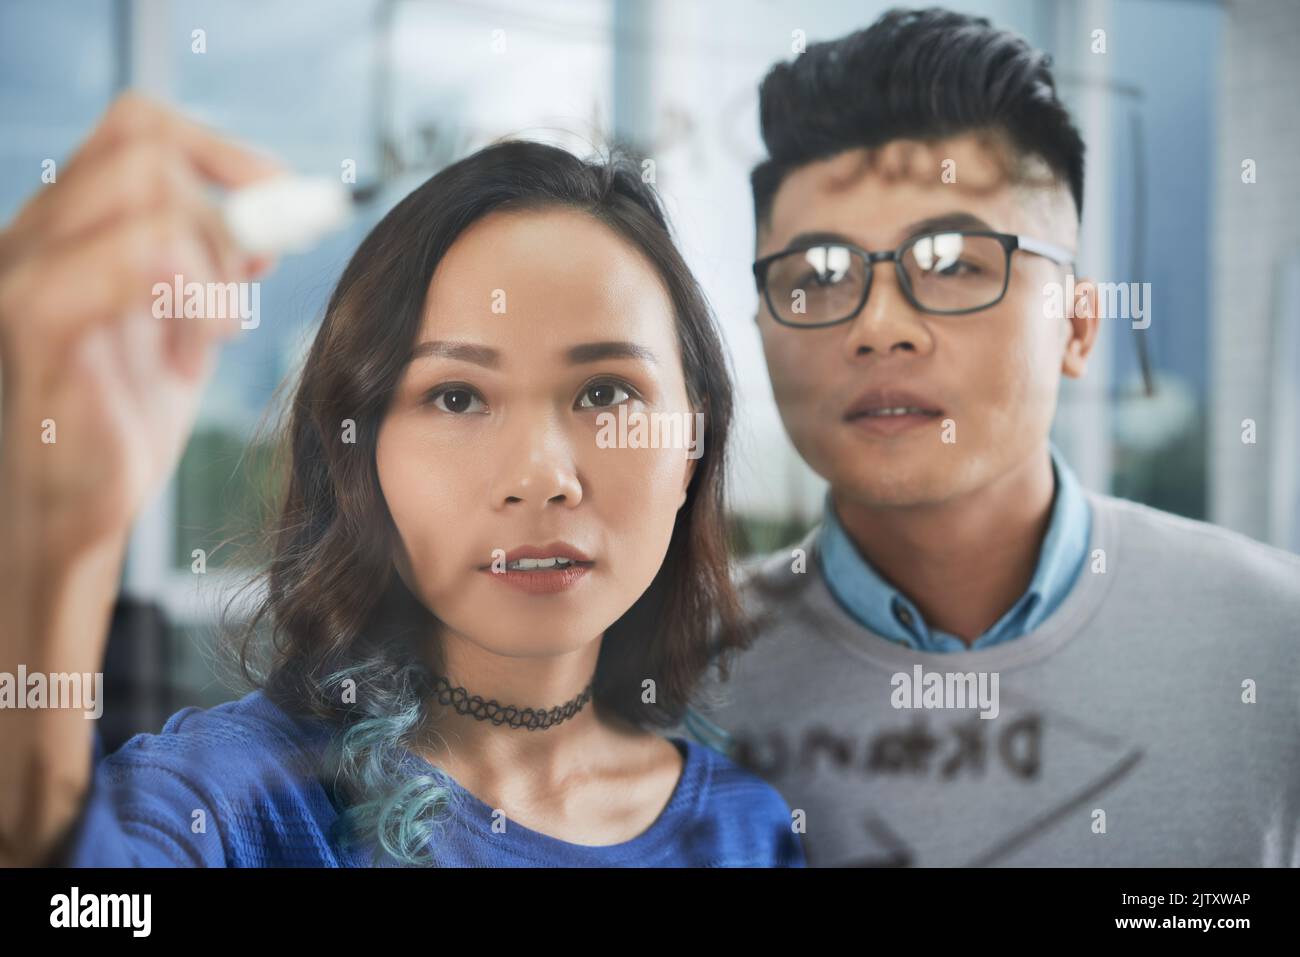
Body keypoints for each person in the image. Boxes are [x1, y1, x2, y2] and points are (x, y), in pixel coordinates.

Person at [0, 94, 804, 867]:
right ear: (360, 455)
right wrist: (45, 548)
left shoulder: (748, 828)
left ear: (692, 438)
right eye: (456, 397)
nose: (540, 478)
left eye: (604, 393)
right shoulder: (232, 801)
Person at [674, 7, 1300, 867]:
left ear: (1079, 325)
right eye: (817, 275)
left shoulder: (1275, 643)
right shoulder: (668, 672)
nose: (878, 327)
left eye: (956, 263)